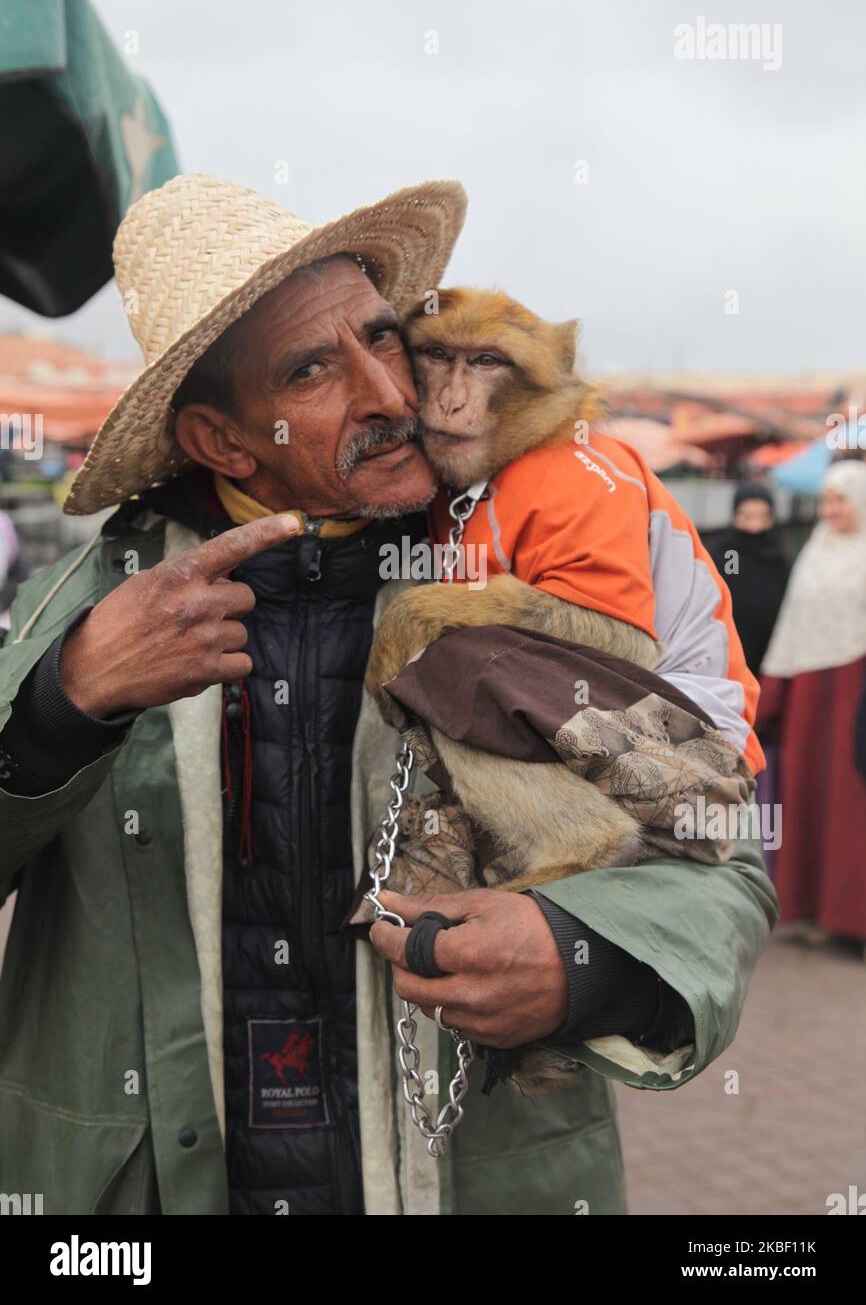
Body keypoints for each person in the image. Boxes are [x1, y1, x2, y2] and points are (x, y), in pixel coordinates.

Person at [0, 174, 776, 1216]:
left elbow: (713, 830)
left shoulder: (518, 568)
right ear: (224, 443)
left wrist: (588, 958)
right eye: (313, 367)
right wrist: (63, 705)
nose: (393, 393)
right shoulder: (92, 601)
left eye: (381, 336)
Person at [757, 458, 866, 944]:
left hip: (856, 694)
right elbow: (793, 626)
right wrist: (771, 698)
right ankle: (817, 913)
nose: (829, 510)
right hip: (808, 697)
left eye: (838, 500)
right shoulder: (814, 553)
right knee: (808, 798)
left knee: (852, 804)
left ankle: (854, 920)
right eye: (825, 500)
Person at [703, 482, 790, 679]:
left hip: (770, 651)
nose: (755, 525)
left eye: (762, 516)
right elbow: (730, 583)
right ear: (735, 516)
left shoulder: (777, 557)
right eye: (747, 516)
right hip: (731, 651)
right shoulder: (729, 553)